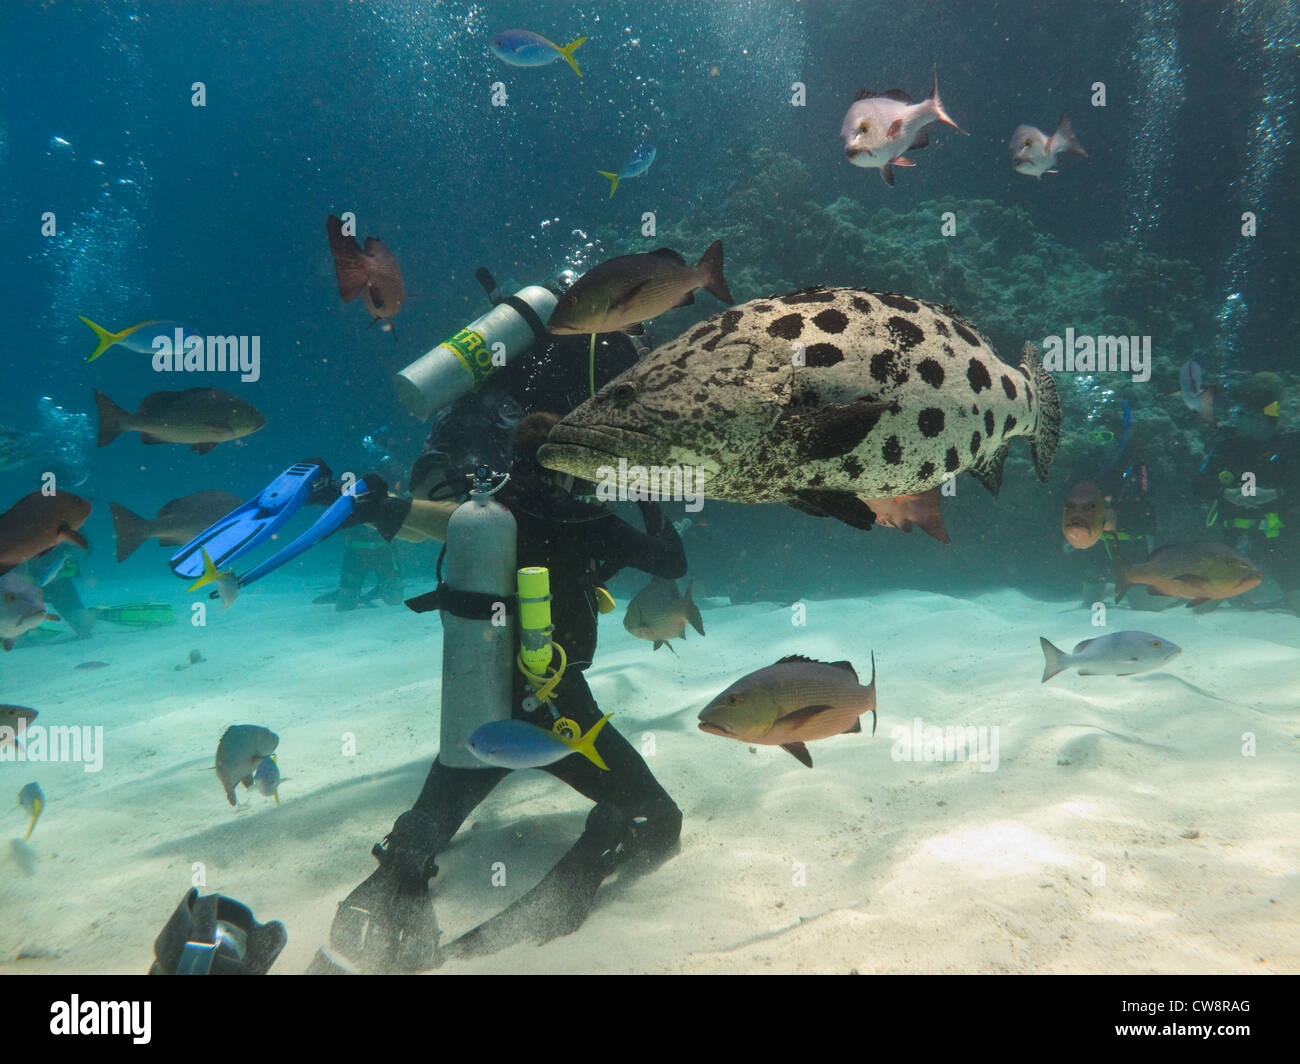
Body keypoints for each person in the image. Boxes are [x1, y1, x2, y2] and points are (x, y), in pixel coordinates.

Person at [319, 411, 687, 972]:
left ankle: (405, 860)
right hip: (556, 700)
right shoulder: (577, 514)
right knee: (661, 822)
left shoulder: (482, 509)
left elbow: (416, 523)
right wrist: (648, 498)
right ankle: (598, 846)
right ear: (573, 464)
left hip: (479, 707)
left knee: (434, 818)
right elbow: (670, 561)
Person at [1193, 372, 1298, 611]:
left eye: (1241, 414)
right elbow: (1199, 485)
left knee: (1297, 602)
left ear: (1262, 416)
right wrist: (1224, 493)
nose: (1234, 420)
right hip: (1233, 539)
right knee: (1200, 606)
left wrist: (1276, 494)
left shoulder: (1292, 445)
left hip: (1282, 538)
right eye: (1233, 413)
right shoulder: (1227, 445)